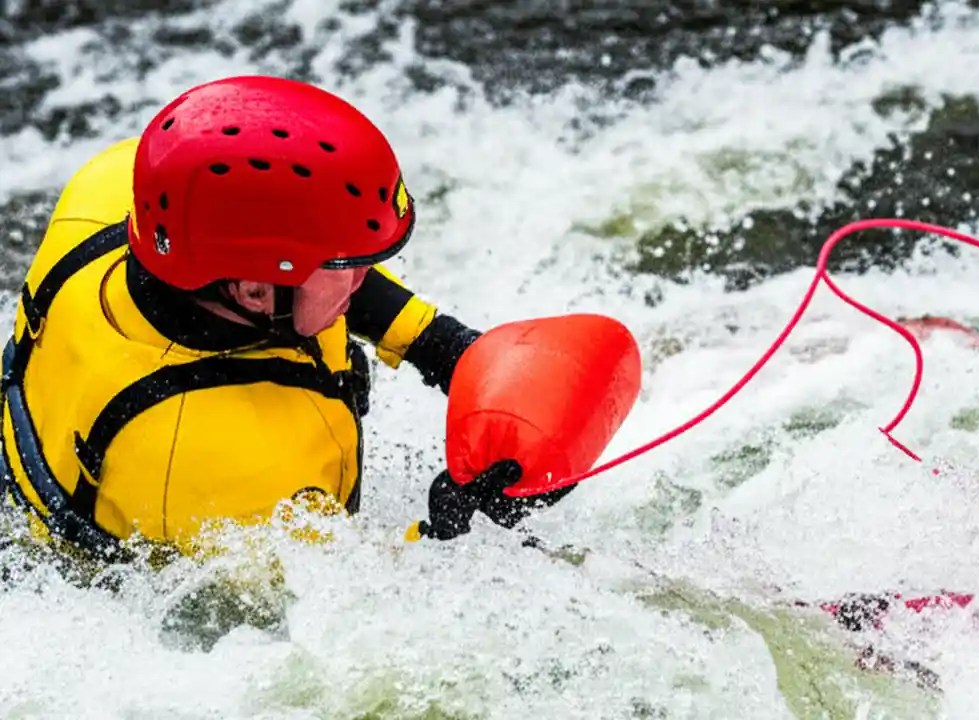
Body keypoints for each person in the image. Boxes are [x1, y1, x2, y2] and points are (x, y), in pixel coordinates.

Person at [0, 75, 569, 561]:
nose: (360, 280)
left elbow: (283, 234)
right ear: (253, 289)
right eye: (346, 265)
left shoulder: (116, 187)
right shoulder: (232, 464)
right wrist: (455, 535)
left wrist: (436, 343)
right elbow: (337, 612)